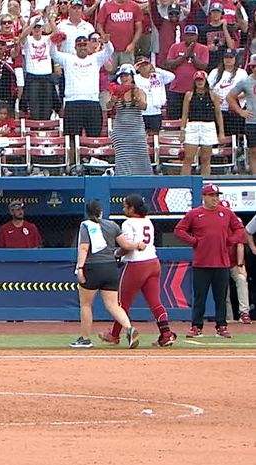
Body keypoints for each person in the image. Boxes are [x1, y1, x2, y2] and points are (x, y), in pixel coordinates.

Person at [98, 194, 177, 348]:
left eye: (125, 206)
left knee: (122, 302)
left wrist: (116, 254)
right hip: (153, 262)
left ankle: (114, 335)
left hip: (137, 264)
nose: (123, 209)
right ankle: (166, 334)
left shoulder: (128, 223)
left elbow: (127, 247)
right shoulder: (148, 221)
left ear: (132, 208)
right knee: (155, 302)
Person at [174, 184, 244, 339]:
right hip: (201, 263)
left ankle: (221, 326)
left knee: (221, 297)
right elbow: (179, 230)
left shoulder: (226, 213)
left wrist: (230, 241)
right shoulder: (195, 214)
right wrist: (193, 241)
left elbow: (239, 229)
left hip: (221, 263)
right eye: (211, 195)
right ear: (204, 197)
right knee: (200, 297)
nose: (215, 198)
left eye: (217, 195)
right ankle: (196, 326)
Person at [72, 199, 143, 349]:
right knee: (113, 305)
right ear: (101, 212)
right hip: (110, 268)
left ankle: (85, 339)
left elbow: (84, 248)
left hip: (93, 267)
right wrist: (138, 245)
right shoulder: (112, 225)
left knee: (86, 304)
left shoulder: (85, 226)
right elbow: (125, 245)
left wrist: (80, 268)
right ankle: (129, 328)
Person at [50, 33, 114, 164]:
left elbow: (109, 51)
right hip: (73, 103)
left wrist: (107, 42)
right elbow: (53, 53)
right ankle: (73, 164)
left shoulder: (96, 58)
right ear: (75, 47)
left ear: (88, 45)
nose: (82, 48)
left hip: (92, 102)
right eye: (79, 45)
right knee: (72, 137)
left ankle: (94, 164)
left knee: (94, 136)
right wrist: (54, 42)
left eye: (84, 45)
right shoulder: (68, 58)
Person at [106, 64, 152, 176]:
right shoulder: (116, 91)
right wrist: (112, 101)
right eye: (122, 76)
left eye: (126, 75)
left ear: (132, 76)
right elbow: (107, 106)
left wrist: (138, 100)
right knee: (123, 158)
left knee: (140, 157)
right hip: (120, 131)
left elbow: (144, 106)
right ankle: (122, 179)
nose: (124, 78)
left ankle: (143, 179)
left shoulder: (139, 91)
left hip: (136, 130)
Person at [181, 70, 224, 176]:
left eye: (201, 80)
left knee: (206, 158)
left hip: (208, 126)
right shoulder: (189, 95)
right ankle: (184, 182)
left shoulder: (213, 95)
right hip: (192, 126)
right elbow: (184, 114)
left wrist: (221, 132)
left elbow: (218, 114)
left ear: (205, 81)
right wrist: (182, 131)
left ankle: (206, 181)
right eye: (197, 80)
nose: (199, 82)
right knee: (188, 157)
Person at [163, 25, 209, 120]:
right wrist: (184, 56)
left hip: (194, 90)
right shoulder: (175, 47)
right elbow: (169, 64)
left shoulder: (203, 48)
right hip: (176, 89)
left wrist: (192, 56)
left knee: (193, 118)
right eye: (188, 35)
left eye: (192, 35)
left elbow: (203, 66)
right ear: (184, 36)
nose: (190, 37)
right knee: (174, 117)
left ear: (197, 36)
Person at [220, 200, 251, 325]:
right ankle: (227, 317)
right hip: (220, 262)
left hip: (234, 262)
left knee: (241, 279)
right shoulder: (215, 223)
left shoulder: (236, 221)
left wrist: (240, 265)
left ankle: (244, 313)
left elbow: (240, 244)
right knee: (223, 288)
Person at [227, 55, 256, 175]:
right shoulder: (246, 81)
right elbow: (230, 97)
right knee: (253, 151)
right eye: (253, 66)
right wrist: (240, 111)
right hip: (252, 121)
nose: (255, 69)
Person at [211, 50, 247, 142]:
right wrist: (214, 97)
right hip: (219, 109)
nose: (228, 60)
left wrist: (234, 98)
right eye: (226, 57)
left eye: (231, 57)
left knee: (235, 136)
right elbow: (208, 89)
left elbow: (247, 91)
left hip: (235, 110)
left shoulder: (241, 73)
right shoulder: (215, 72)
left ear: (235, 59)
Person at [132, 56, 175, 135]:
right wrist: (133, 70)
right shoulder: (134, 78)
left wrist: (156, 69)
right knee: (141, 136)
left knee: (154, 136)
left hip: (156, 112)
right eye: (141, 65)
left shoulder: (158, 76)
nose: (144, 67)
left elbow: (172, 76)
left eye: (146, 65)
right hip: (141, 113)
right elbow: (120, 81)